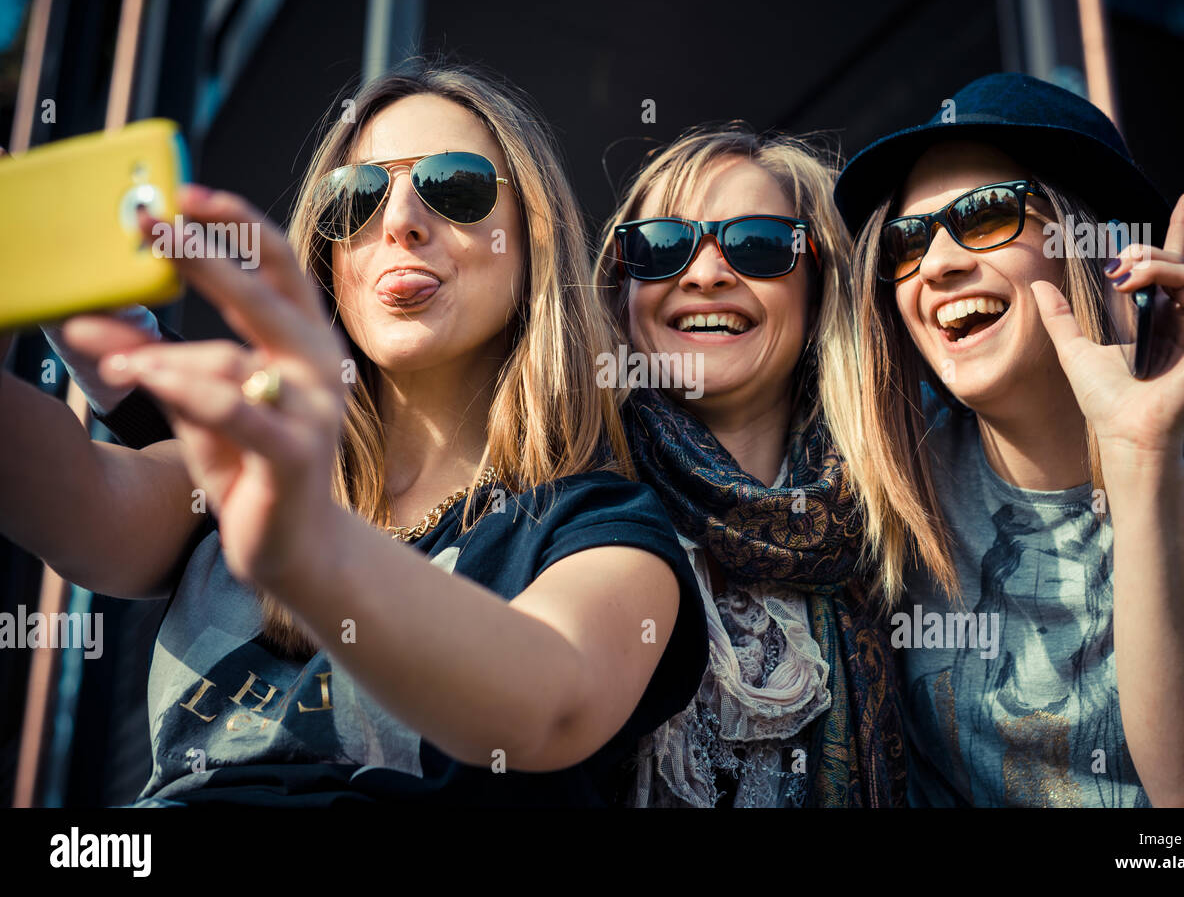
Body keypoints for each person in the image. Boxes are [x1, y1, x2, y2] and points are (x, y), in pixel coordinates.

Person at [0, 62, 707, 806]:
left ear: (531, 237)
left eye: (454, 186)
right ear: (331, 255)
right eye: (358, 196)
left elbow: (545, 703)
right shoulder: (239, 465)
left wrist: (306, 550)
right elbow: (73, 494)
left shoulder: (605, 529)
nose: (398, 219)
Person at [832, 72, 1184, 806]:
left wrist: (1142, 455)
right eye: (907, 239)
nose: (939, 263)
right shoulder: (882, 487)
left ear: (1101, 246)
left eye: (986, 215)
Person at [594, 125, 907, 807]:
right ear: (624, 289)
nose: (704, 274)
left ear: (818, 285)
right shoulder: (562, 503)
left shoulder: (909, 516)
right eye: (661, 246)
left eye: (759, 244)